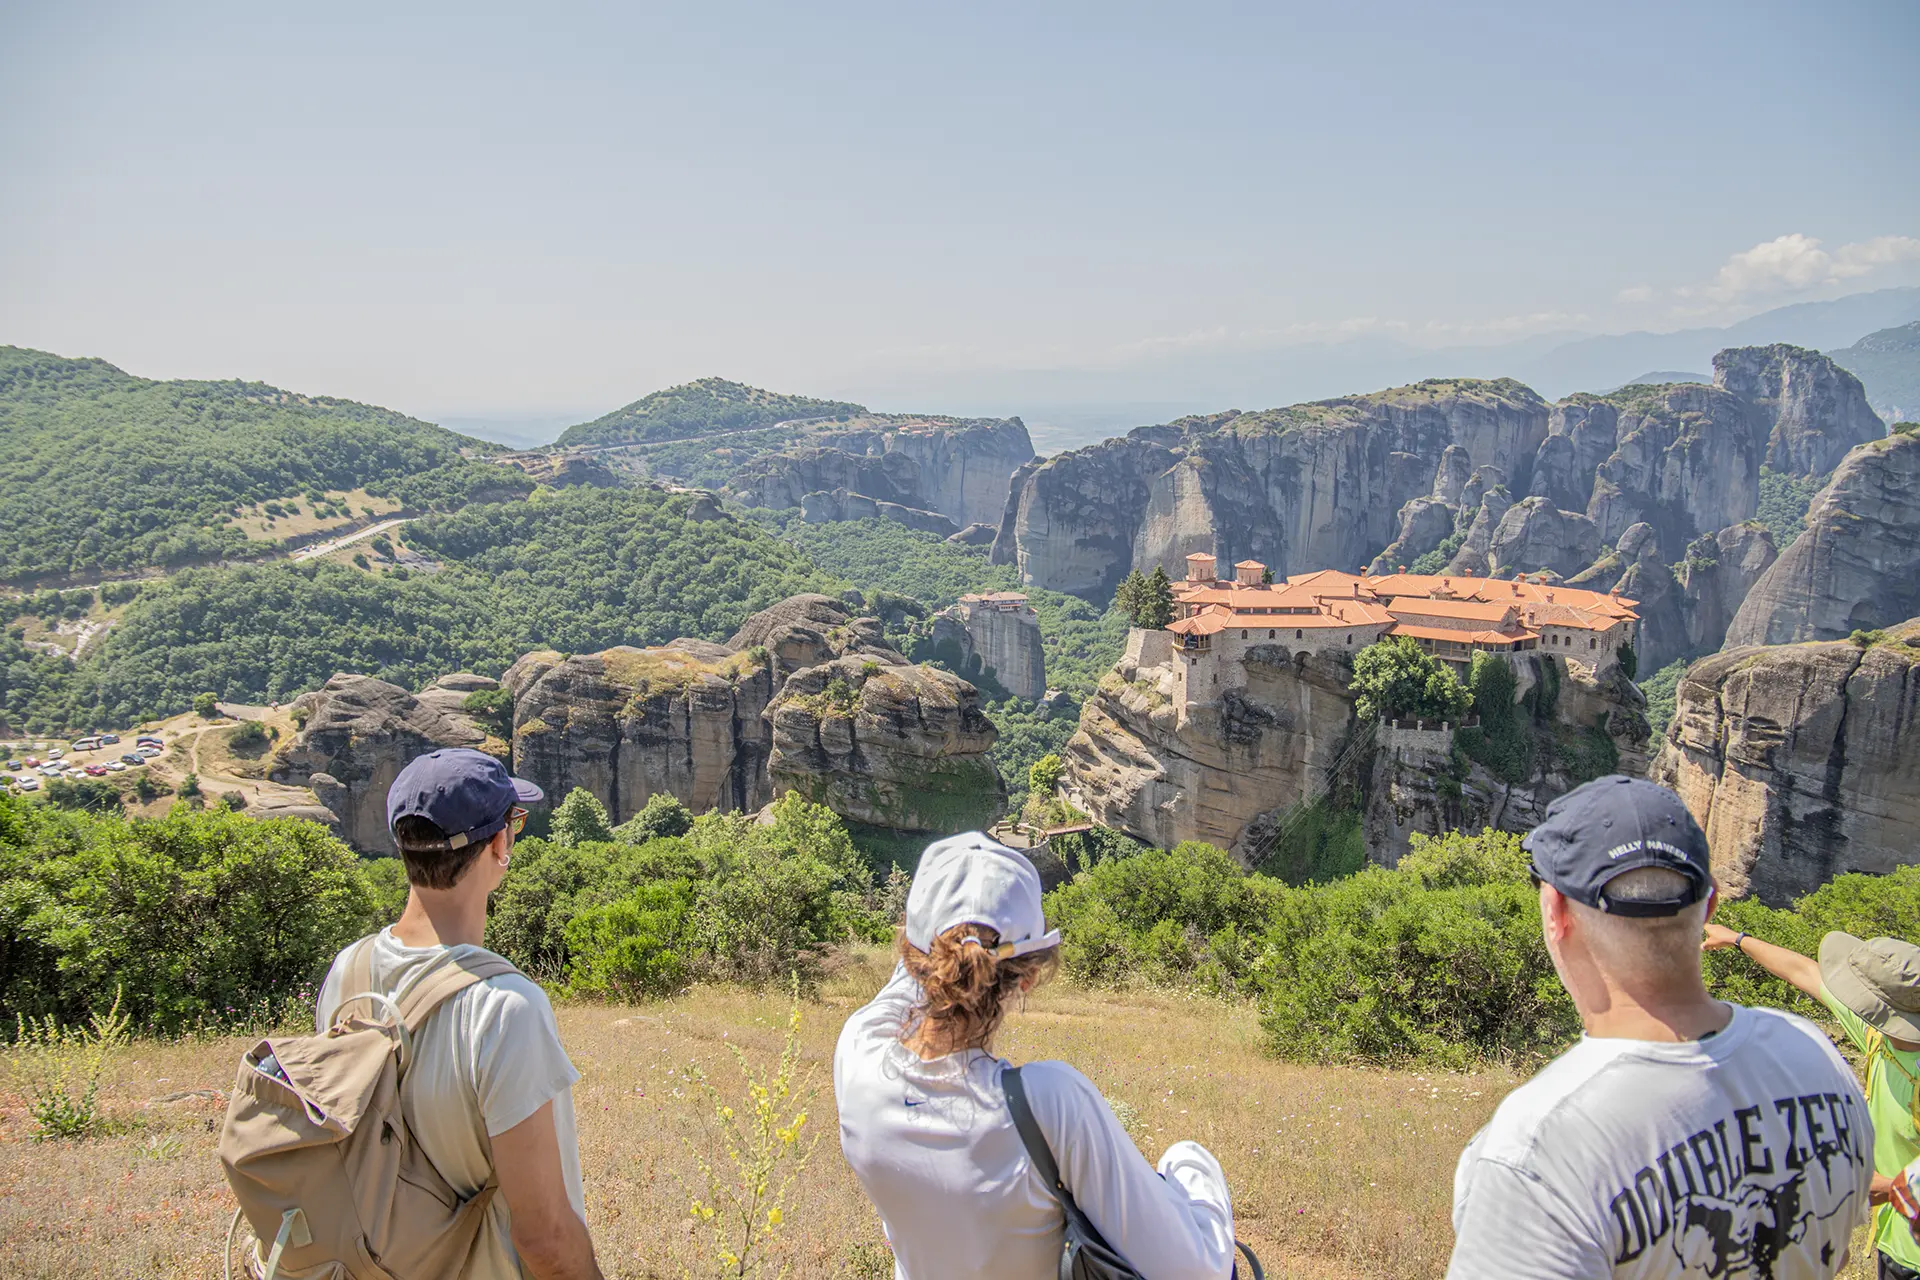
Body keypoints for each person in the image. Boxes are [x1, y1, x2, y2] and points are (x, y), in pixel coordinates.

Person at [1448, 775, 1873, 1279]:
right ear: (1711, 904)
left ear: (1556, 911)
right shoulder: (1816, 1056)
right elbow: (1836, 1253)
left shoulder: (1538, 1147)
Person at [834, 832, 1237, 1280]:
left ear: (913, 957)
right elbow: (1198, 1272)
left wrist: (947, 932)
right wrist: (1191, 1164)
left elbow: (902, 988)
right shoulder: (1048, 1104)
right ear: (1027, 978)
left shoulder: (859, 1057)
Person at [312, 748, 603, 1280]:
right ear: (500, 845)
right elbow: (544, 1236)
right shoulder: (507, 1010)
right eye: (512, 823)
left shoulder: (346, 973)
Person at [1705, 923, 1920, 1277]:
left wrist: (1876, 1185)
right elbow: (1804, 971)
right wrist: (1739, 939)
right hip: (1894, 1241)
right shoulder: (1882, 1037)